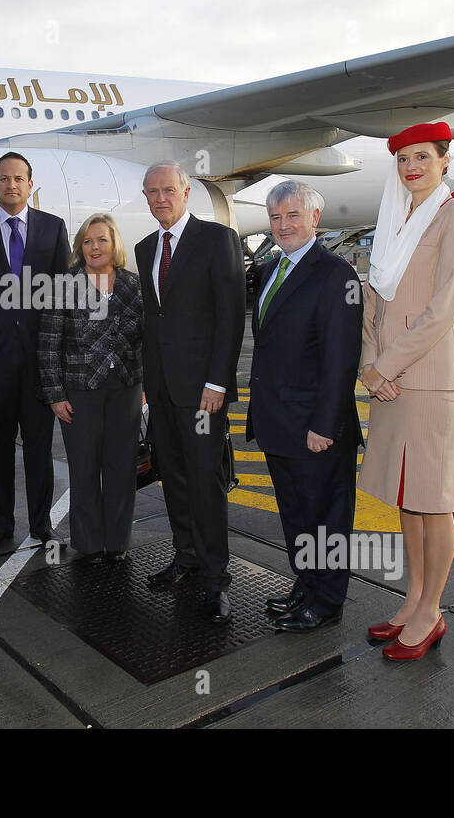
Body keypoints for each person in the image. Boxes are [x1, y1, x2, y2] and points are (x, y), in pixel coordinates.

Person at [357, 122, 454, 661]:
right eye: (404, 159)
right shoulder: (391, 221)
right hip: (387, 381)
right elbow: (372, 303)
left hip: (429, 379)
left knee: (434, 500)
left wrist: (385, 366)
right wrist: (369, 365)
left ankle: (432, 611)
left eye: (422, 157)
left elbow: (443, 308)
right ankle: (412, 600)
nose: (412, 167)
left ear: (444, 161)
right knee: (407, 498)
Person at [246, 181, 362, 631]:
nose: (283, 226)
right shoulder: (272, 269)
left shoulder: (335, 274)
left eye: (293, 216)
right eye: (276, 218)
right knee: (297, 514)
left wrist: (325, 425)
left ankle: (327, 601)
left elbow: (341, 358)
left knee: (326, 517)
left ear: (315, 218)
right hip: (278, 422)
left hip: (315, 427)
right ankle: (306, 584)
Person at [134, 161, 245, 624]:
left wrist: (218, 382)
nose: (160, 198)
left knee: (205, 481)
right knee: (174, 477)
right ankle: (186, 557)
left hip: (203, 391)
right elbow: (153, 321)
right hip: (162, 390)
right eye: (152, 192)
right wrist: (146, 383)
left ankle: (217, 579)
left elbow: (230, 316)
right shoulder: (145, 248)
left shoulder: (218, 239)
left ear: (185, 192)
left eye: (168, 190)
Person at [0, 152, 71, 556]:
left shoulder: (53, 228)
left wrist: (62, 362)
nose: (12, 185)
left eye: (19, 178)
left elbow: (63, 297)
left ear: (30, 184)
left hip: (41, 364)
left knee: (39, 449)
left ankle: (41, 525)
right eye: (4, 178)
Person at [37, 213, 143, 563]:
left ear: (115, 245)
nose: (95, 247)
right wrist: (55, 395)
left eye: (102, 240)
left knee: (121, 468)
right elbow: (48, 345)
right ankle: (89, 543)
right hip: (80, 390)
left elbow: (145, 338)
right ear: (79, 247)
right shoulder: (63, 285)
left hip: (126, 388)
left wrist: (146, 384)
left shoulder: (132, 284)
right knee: (84, 469)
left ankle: (117, 542)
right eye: (87, 241)